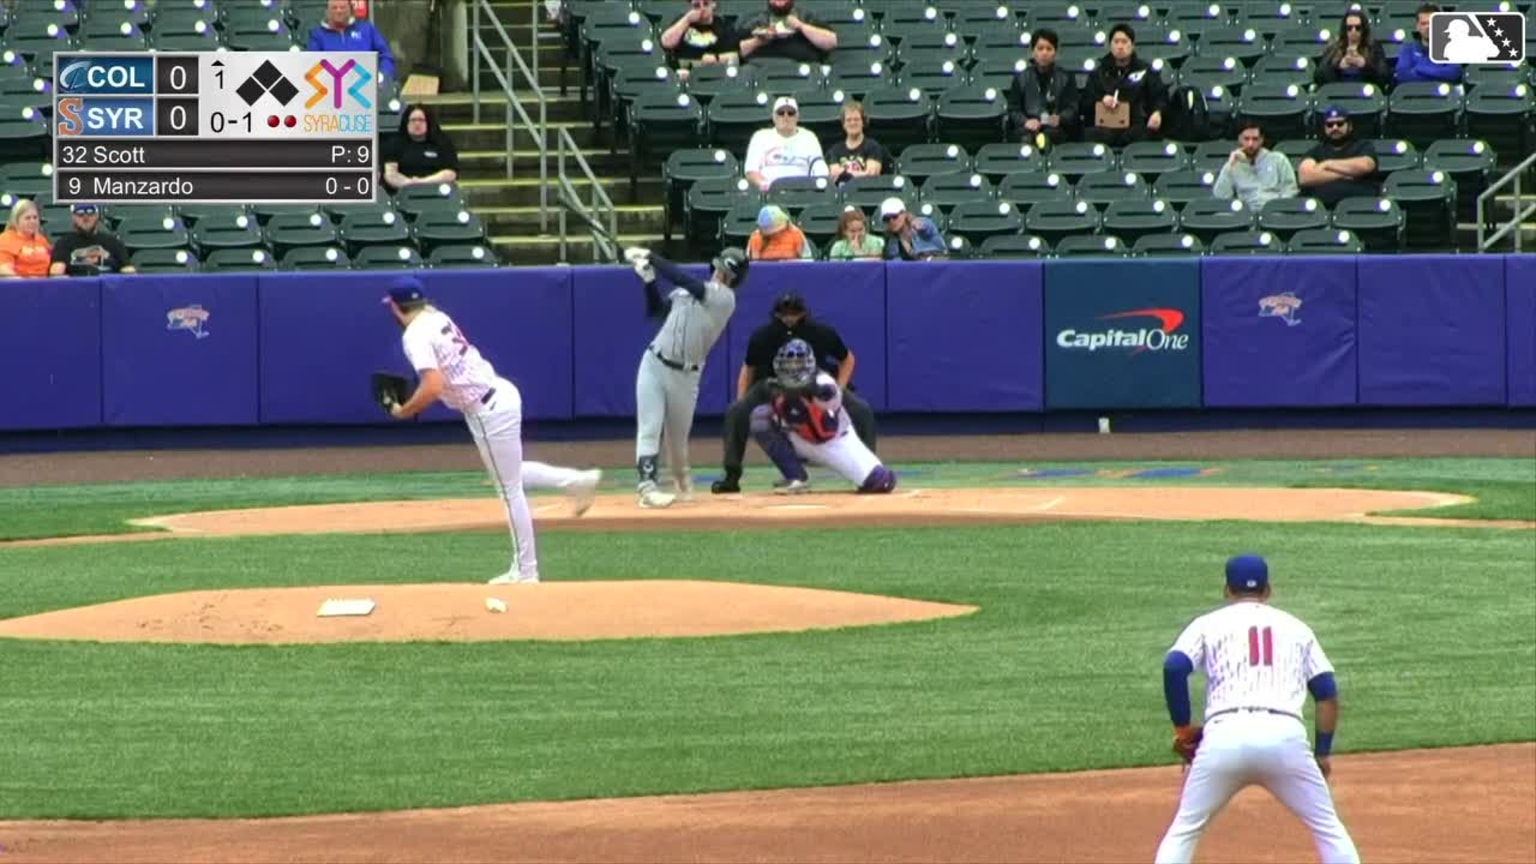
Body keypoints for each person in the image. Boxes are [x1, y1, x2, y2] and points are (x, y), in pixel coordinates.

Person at [380, 276, 602, 585]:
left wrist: (404, 410)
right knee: (508, 475)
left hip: (488, 409)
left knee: (509, 490)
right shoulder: (436, 316)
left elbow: (433, 386)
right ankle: (577, 481)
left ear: (395, 306)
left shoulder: (415, 335)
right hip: (498, 395)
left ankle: (527, 572)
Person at [1154, 554, 1360, 864]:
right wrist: (1322, 754)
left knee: (1185, 830)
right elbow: (1326, 693)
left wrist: (1183, 730)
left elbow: (1174, 667)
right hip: (1285, 738)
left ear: (1227, 590)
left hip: (1224, 737)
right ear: (1267, 590)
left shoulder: (1207, 624)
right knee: (1328, 828)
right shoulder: (1297, 628)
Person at [712, 290, 877, 494]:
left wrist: (839, 389)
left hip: (812, 384)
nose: (789, 317)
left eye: (794, 312)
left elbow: (847, 358)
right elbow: (748, 367)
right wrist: (742, 400)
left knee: (861, 410)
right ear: (776, 314)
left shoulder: (820, 332)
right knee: (736, 411)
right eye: (784, 313)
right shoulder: (763, 336)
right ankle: (731, 475)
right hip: (774, 385)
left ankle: (868, 472)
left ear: (803, 313)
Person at [624, 245, 747, 508]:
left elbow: (686, 280)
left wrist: (652, 257)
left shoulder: (725, 299)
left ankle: (681, 478)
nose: (721, 275)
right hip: (654, 363)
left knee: (677, 444)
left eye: (727, 274)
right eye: (720, 270)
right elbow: (656, 311)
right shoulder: (684, 292)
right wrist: (648, 280)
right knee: (649, 427)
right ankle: (647, 487)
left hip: (686, 376)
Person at [749, 339, 895, 495]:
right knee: (760, 417)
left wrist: (813, 390)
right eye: (789, 363)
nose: (793, 368)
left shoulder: (823, 382)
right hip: (800, 439)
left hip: (834, 442)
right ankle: (795, 476)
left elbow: (832, 401)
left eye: (798, 363)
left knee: (880, 482)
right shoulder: (775, 385)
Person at [1081, 24, 1166, 147]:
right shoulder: (1098, 73)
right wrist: (1101, 99)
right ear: (1110, 45)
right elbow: (1085, 102)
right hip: (1105, 128)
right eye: (1116, 42)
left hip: (1135, 127)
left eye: (1124, 42)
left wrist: (1157, 112)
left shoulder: (1145, 71)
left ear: (1132, 45)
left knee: (1149, 135)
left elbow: (1160, 96)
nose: (1120, 46)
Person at [1007, 28, 1080, 149]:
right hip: (1029, 126)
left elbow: (1072, 108)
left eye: (1049, 49)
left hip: (1054, 128)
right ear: (1033, 52)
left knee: (1052, 136)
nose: (1044, 53)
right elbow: (1013, 109)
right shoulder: (1021, 78)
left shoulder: (1066, 77)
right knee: (1025, 138)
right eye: (1040, 48)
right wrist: (1025, 122)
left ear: (1055, 52)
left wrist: (1060, 119)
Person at [1297, 106, 1380, 208]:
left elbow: (1366, 166)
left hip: (1361, 206)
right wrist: (1348, 174)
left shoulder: (1363, 146)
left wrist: (1327, 164)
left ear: (1350, 126)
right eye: (1330, 125)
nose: (1335, 128)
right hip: (1322, 207)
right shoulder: (1316, 151)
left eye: (1340, 124)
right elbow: (1305, 178)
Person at [744, 96, 827, 192]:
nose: (786, 116)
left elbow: (819, 166)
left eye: (791, 113)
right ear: (774, 117)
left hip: (803, 191)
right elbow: (751, 171)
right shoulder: (760, 136)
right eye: (781, 113)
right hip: (769, 192)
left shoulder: (809, 137)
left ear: (797, 117)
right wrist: (766, 185)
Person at [1211, 122, 1298, 212]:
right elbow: (1220, 196)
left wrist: (1278, 208)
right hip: (1244, 213)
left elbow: (1290, 189)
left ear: (1262, 140)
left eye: (1255, 139)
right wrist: (1229, 166)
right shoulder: (1233, 164)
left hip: (1275, 212)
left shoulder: (1278, 159)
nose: (1250, 144)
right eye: (1246, 139)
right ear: (1239, 139)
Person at [307, 0, 396, 80]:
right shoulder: (317, 36)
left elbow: (385, 55)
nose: (339, 11)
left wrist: (383, 75)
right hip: (333, 89)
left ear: (350, 9)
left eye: (343, 7)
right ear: (327, 11)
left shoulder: (366, 29)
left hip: (366, 84)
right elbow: (312, 65)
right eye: (334, 8)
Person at [383, 104, 459, 192]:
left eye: (421, 120)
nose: (417, 123)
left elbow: (451, 173)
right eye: (413, 120)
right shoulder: (394, 144)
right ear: (406, 123)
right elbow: (391, 174)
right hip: (403, 193)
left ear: (428, 123)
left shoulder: (443, 142)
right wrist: (409, 183)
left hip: (437, 192)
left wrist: (422, 182)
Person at [737, 0, 838, 65]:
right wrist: (759, 41)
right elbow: (737, 52)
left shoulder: (806, 16)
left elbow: (831, 42)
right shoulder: (757, 20)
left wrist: (801, 26)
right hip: (761, 71)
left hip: (803, 70)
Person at [48, 203, 135, 277]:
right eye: (80, 214)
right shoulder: (64, 243)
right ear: (73, 217)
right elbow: (56, 273)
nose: (86, 218)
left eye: (90, 213)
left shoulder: (113, 242)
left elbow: (129, 271)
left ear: (97, 215)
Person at [1313, 10, 1390, 87]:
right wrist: (1338, 67)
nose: (1353, 31)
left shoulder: (1374, 47)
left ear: (1363, 29)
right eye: (1349, 28)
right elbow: (1319, 75)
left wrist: (1365, 65)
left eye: (1358, 28)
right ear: (1344, 30)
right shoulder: (1334, 47)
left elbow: (1384, 77)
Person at [659, 0, 741, 72]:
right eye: (696, 6)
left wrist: (715, 59)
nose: (701, 9)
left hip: (714, 72)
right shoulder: (682, 23)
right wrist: (687, 19)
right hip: (683, 72)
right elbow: (666, 43)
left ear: (713, 4)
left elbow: (733, 56)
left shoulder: (724, 26)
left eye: (705, 4)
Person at [1395, 2, 1462, 84]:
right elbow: (1402, 75)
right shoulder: (1407, 49)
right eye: (1423, 24)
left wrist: (1419, 69)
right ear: (1417, 27)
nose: (1428, 27)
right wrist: (1439, 74)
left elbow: (1453, 74)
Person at [824, 101, 886, 186]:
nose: (852, 123)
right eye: (848, 120)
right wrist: (860, 173)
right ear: (844, 124)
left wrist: (843, 172)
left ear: (863, 122)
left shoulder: (873, 147)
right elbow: (833, 176)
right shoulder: (834, 150)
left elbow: (871, 176)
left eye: (856, 119)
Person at [878, 197, 947, 261]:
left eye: (894, 216)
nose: (891, 221)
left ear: (904, 214)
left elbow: (927, 227)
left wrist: (920, 225)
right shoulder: (892, 241)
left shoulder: (920, 224)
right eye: (886, 219)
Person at [0, 198, 52, 279]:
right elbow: (3, 269)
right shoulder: (6, 239)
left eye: (35, 217)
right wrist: (25, 284)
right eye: (27, 218)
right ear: (16, 220)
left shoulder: (42, 240)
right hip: (19, 286)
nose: (32, 221)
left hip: (44, 285)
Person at [746, 205, 814, 260]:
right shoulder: (756, 236)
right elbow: (753, 265)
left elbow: (807, 260)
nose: (774, 235)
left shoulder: (795, 233)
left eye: (776, 232)